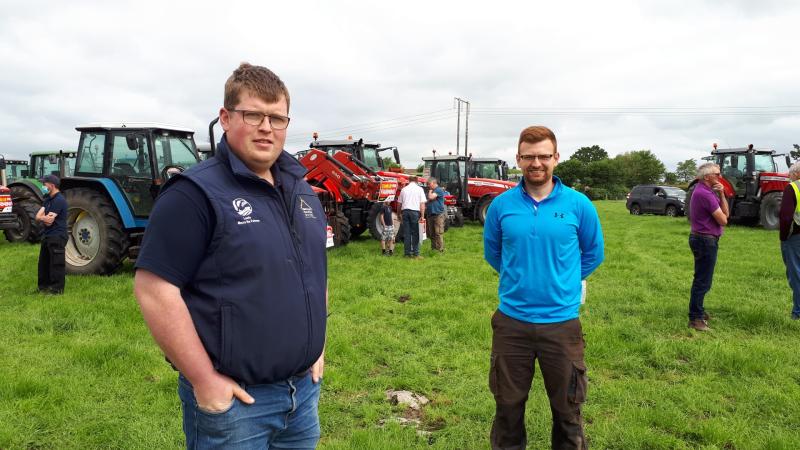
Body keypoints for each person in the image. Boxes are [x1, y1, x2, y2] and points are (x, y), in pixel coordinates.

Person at [133, 63, 328, 449]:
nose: (266, 127)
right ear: (225, 117)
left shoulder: (303, 191)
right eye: (253, 114)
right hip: (237, 405)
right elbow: (154, 290)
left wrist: (317, 349)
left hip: (303, 395)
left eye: (276, 117)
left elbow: (316, 274)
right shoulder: (194, 194)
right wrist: (205, 381)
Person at [483, 126, 604, 450]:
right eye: (529, 156)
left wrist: (562, 280)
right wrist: (521, 277)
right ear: (518, 159)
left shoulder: (579, 205)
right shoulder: (500, 206)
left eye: (544, 156)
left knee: (568, 412)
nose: (537, 163)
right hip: (512, 323)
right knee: (507, 410)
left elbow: (594, 252)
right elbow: (493, 253)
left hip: (562, 325)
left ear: (556, 158)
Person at [687, 162, 729, 331]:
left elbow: (725, 214)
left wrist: (722, 194)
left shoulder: (709, 191)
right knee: (703, 281)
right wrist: (720, 195)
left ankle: (699, 311)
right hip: (705, 240)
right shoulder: (704, 194)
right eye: (717, 174)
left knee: (702, 279)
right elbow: (724, 220)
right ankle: (695, 319)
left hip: (703, 239)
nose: (720, 177)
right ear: (707, 177)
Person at [35, 174, 68, 294]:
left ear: (52, 185)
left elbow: (49, 221)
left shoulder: (59, 200)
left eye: (44, 184)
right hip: (47, 235)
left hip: (57, 236)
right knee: (43, 263)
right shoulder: (48, 199)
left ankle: (56, 290)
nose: (43, 186)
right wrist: (43, 218)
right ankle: (43, 287)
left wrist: (42, 218)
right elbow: (37, 216)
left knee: (56, 264)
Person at [779, 162, 800, 320]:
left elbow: (786, 216)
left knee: (796, 273)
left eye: (791, 174)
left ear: (797, 173)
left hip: (795, 237)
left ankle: (798, 313)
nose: (789, 177)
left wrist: (783, 236)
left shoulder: (792, 188)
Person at [397, 175, 426, 259]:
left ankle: (407, 254)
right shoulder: (420, 189)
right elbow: (422, 204)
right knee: (415, 233)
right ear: (417, 181)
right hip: (415, 212)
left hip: (405, 212)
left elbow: (399, 203)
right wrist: (422, 216)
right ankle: (416, 254)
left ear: (408, 180)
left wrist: (399, 214)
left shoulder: (404, 189)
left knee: (407, 233)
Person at [426, 177, 446, 252]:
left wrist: (430, 191)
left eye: (429, 184)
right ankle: (433, 248)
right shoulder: (433, 191)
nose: (428, 185)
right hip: (431, 214)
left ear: (434, 183)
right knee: (432, 233)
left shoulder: (438, 190)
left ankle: (440, 249)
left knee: (438, 232)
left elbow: (431, 197)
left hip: (438, 214)